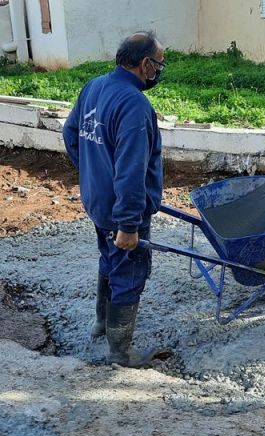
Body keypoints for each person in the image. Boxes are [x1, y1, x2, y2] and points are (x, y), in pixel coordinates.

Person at [62, 32, 165, 368]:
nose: (159, 71)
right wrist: (130, 224)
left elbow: (70, 133)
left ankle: (101, 323)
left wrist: (93, 172)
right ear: (145, 64)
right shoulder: (134, 104)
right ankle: (121, 352)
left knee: (108, 258)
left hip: (98, 201)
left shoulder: (94, 85)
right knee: (129, 269)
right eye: (158, 65)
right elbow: (132, 172)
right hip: (121, 208)